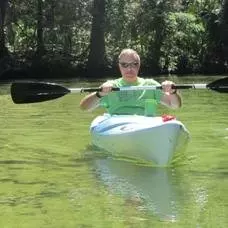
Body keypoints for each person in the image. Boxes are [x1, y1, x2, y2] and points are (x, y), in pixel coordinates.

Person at [80, 48, 182, 116]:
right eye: (124, 65)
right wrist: (99, 94)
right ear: (119, 66)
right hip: (118, 127)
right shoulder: (110, 87)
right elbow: (84, 107)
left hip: (144, 127)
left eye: (134, 64)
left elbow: (175, 105)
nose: (129, 69)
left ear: (139, 65)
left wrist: (173, 91)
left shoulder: (150, 85)